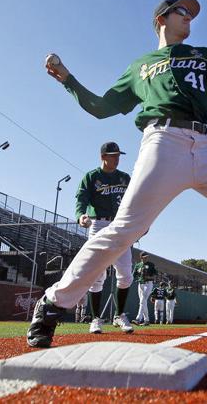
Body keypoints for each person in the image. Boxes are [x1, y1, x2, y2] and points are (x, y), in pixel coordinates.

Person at [28, 0, 207, 355]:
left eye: (192, 14)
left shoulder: (203, 55)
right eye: (184, 12)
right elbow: (102, 108)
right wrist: (68, 80)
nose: (190, 17)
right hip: (162, 141)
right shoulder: (141, 66)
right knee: (125, 229)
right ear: (162, 18)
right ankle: (53, 302)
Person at [76, 141, 135, 334]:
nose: (117, 159)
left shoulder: (125, 178)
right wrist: (80, 215)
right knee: (97, 274)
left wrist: (141, 221)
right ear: (103, 157)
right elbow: (81, 198)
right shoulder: (92, 176)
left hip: (120, 225)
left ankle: (119, 315)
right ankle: (95, 319)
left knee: (126, 275)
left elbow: (135, 200)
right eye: (113, 155)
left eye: (118, 155)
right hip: (98, 224)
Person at [132, 252, 157, 325]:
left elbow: (155, 276)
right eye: (144, 257)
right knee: (143, 302)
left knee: (142, 301)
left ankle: (138, 319)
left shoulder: (151, 265)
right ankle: (147, 320)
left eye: (147, 257)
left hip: (148, 284)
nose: (146, 258)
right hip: (140, 284)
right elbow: (134, 275)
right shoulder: (138, 265)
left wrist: (149, 277)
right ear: (141, 257)